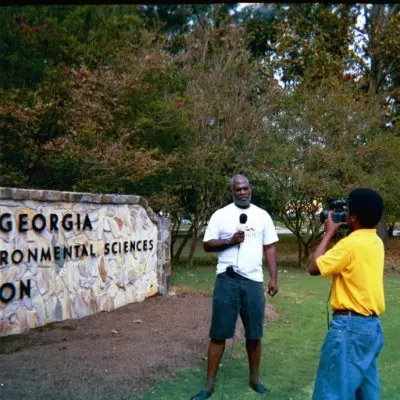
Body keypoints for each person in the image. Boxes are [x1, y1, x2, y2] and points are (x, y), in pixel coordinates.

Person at [191, 174, 279, 400]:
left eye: (245, 188)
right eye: (237, 189)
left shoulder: (262, 216)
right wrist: (230, 240)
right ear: (232, 191)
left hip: (253, 281)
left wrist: (273, 278)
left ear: (250, 189)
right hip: (227, 280)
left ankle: (255, 379)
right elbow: (207, 245)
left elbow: (269, 247)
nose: (242, 192)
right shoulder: (221, 215)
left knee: (254, 334)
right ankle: (209, 386)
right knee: (218, 334)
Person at [308, 188, 385, 400]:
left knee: (331, 393)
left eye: (347, 210)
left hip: (349, 329)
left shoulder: (350, 245)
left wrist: (328, 233)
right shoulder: (376, 242)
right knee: (366, 393)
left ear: (353, 218)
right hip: (371, 329)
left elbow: (313, 267)